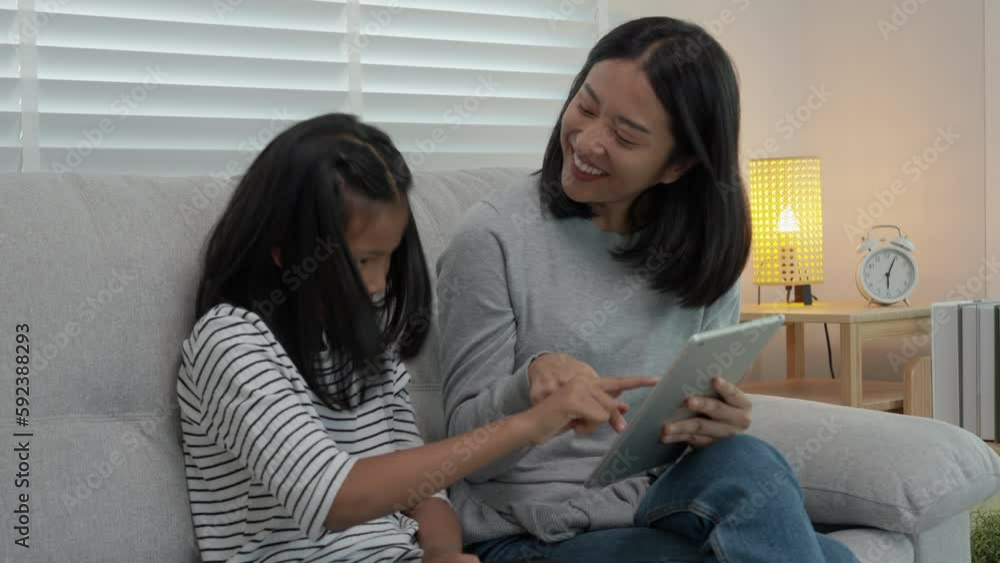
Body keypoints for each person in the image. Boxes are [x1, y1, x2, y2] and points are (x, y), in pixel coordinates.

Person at [436, 17, 859, 563]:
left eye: (625, 135)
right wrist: (530, 386)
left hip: (652, 502)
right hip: (525, 530)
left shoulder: (706, 254)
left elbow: (680, 442)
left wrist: (712, 426)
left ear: (678, 165)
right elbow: (460, 457)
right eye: (586, 108)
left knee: (750, 461)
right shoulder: (493, 236)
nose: (587, 142)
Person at [176, 113, 657, 563]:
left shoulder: (363, 337)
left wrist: (443, 555)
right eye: (362, 261)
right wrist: (528, 425)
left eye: (387, 257)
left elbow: (425, 488)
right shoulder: (232, 342)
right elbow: (336, 498)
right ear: (284, 253)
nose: (379, 283)